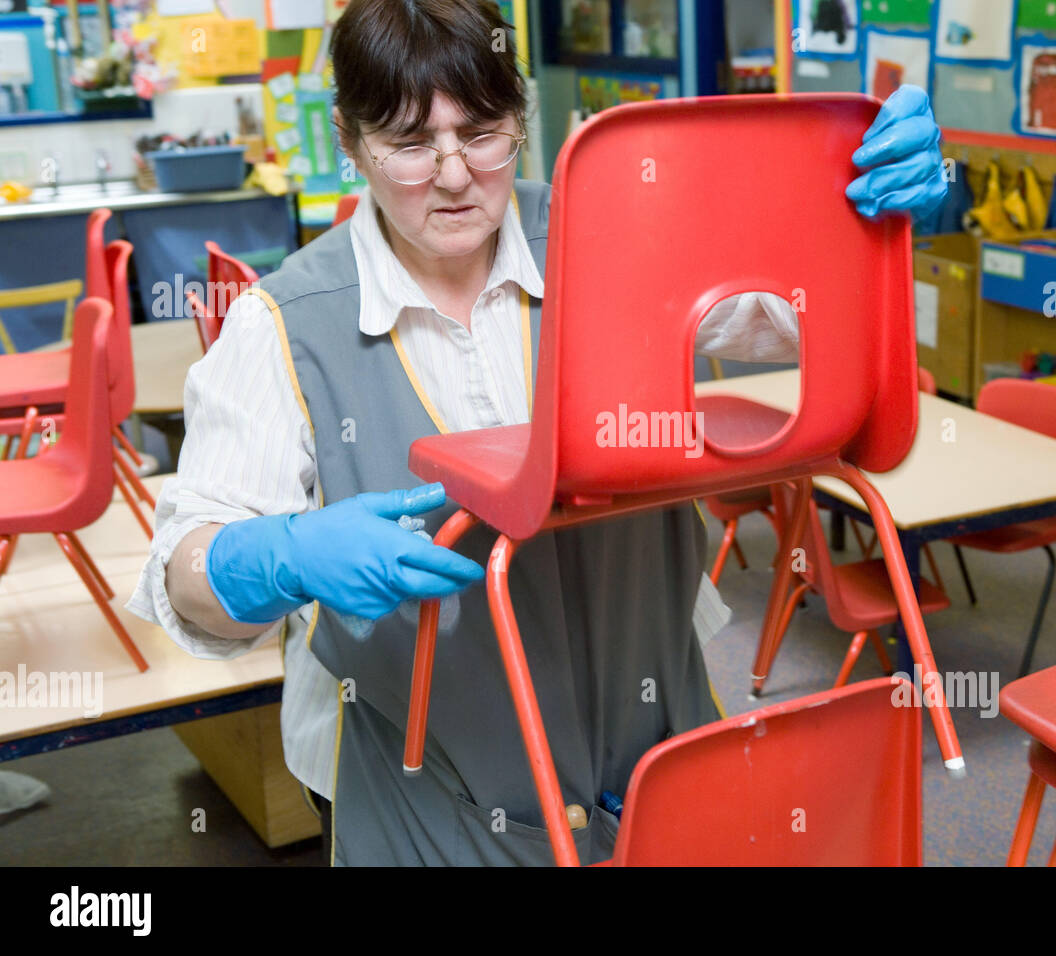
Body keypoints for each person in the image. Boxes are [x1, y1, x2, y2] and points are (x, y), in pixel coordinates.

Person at [127, 0, 947, 866]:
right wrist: (278, 556)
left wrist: (865, 226)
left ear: (521, 116)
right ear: (349, 140)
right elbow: (184, 580)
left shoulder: (617, 234)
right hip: (420, 776)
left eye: (482, 132)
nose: (453, 174)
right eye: (409, 143)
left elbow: (783, 321)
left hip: (646, 723)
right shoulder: (282, 325)